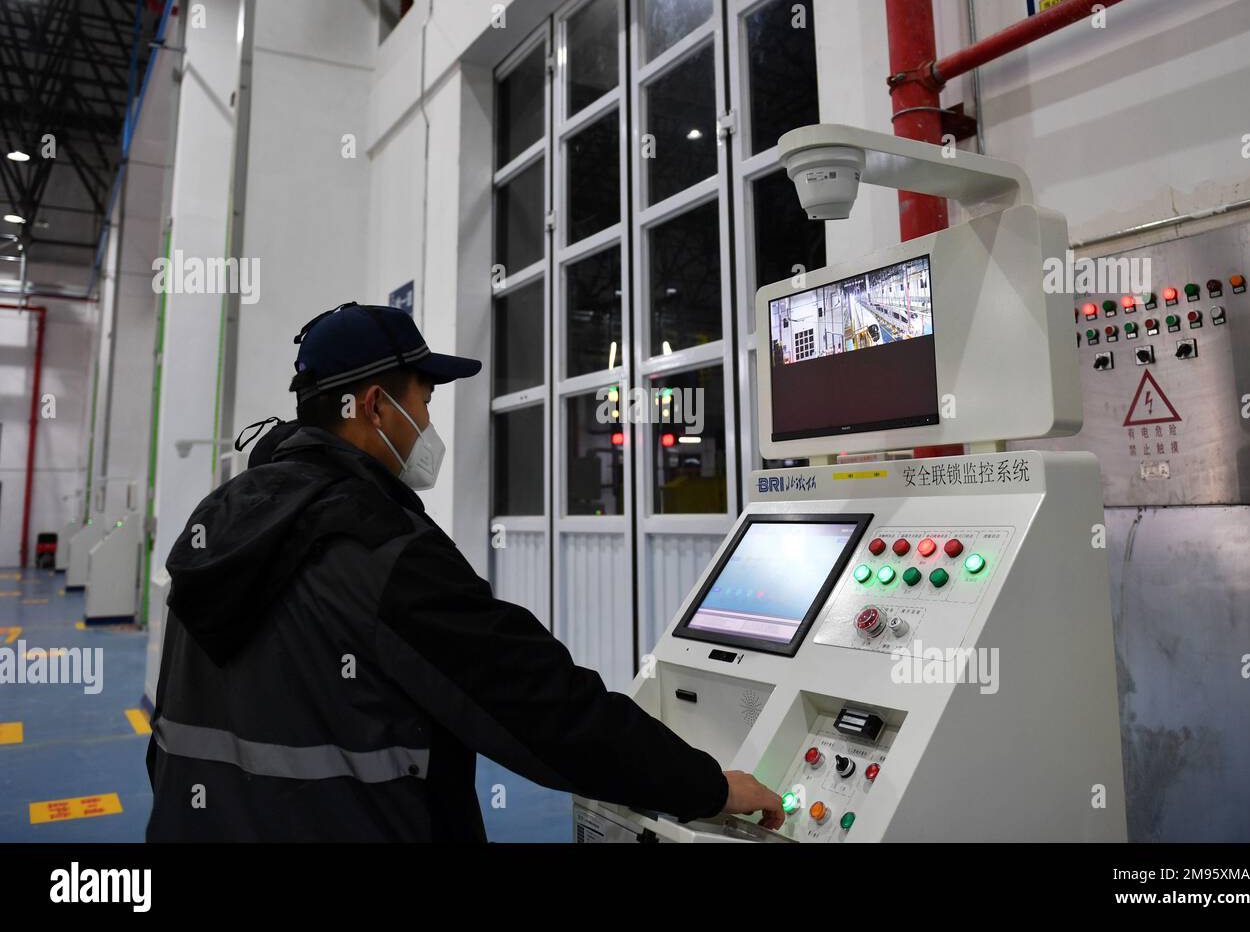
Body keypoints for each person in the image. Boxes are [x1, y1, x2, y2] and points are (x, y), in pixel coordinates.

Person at [145, 301, 784, 841]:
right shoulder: (380, 547)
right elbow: (540, 705)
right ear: (373, 407)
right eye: (422, 401)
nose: (427, 423)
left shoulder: (224, 521)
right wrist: (702, 785)